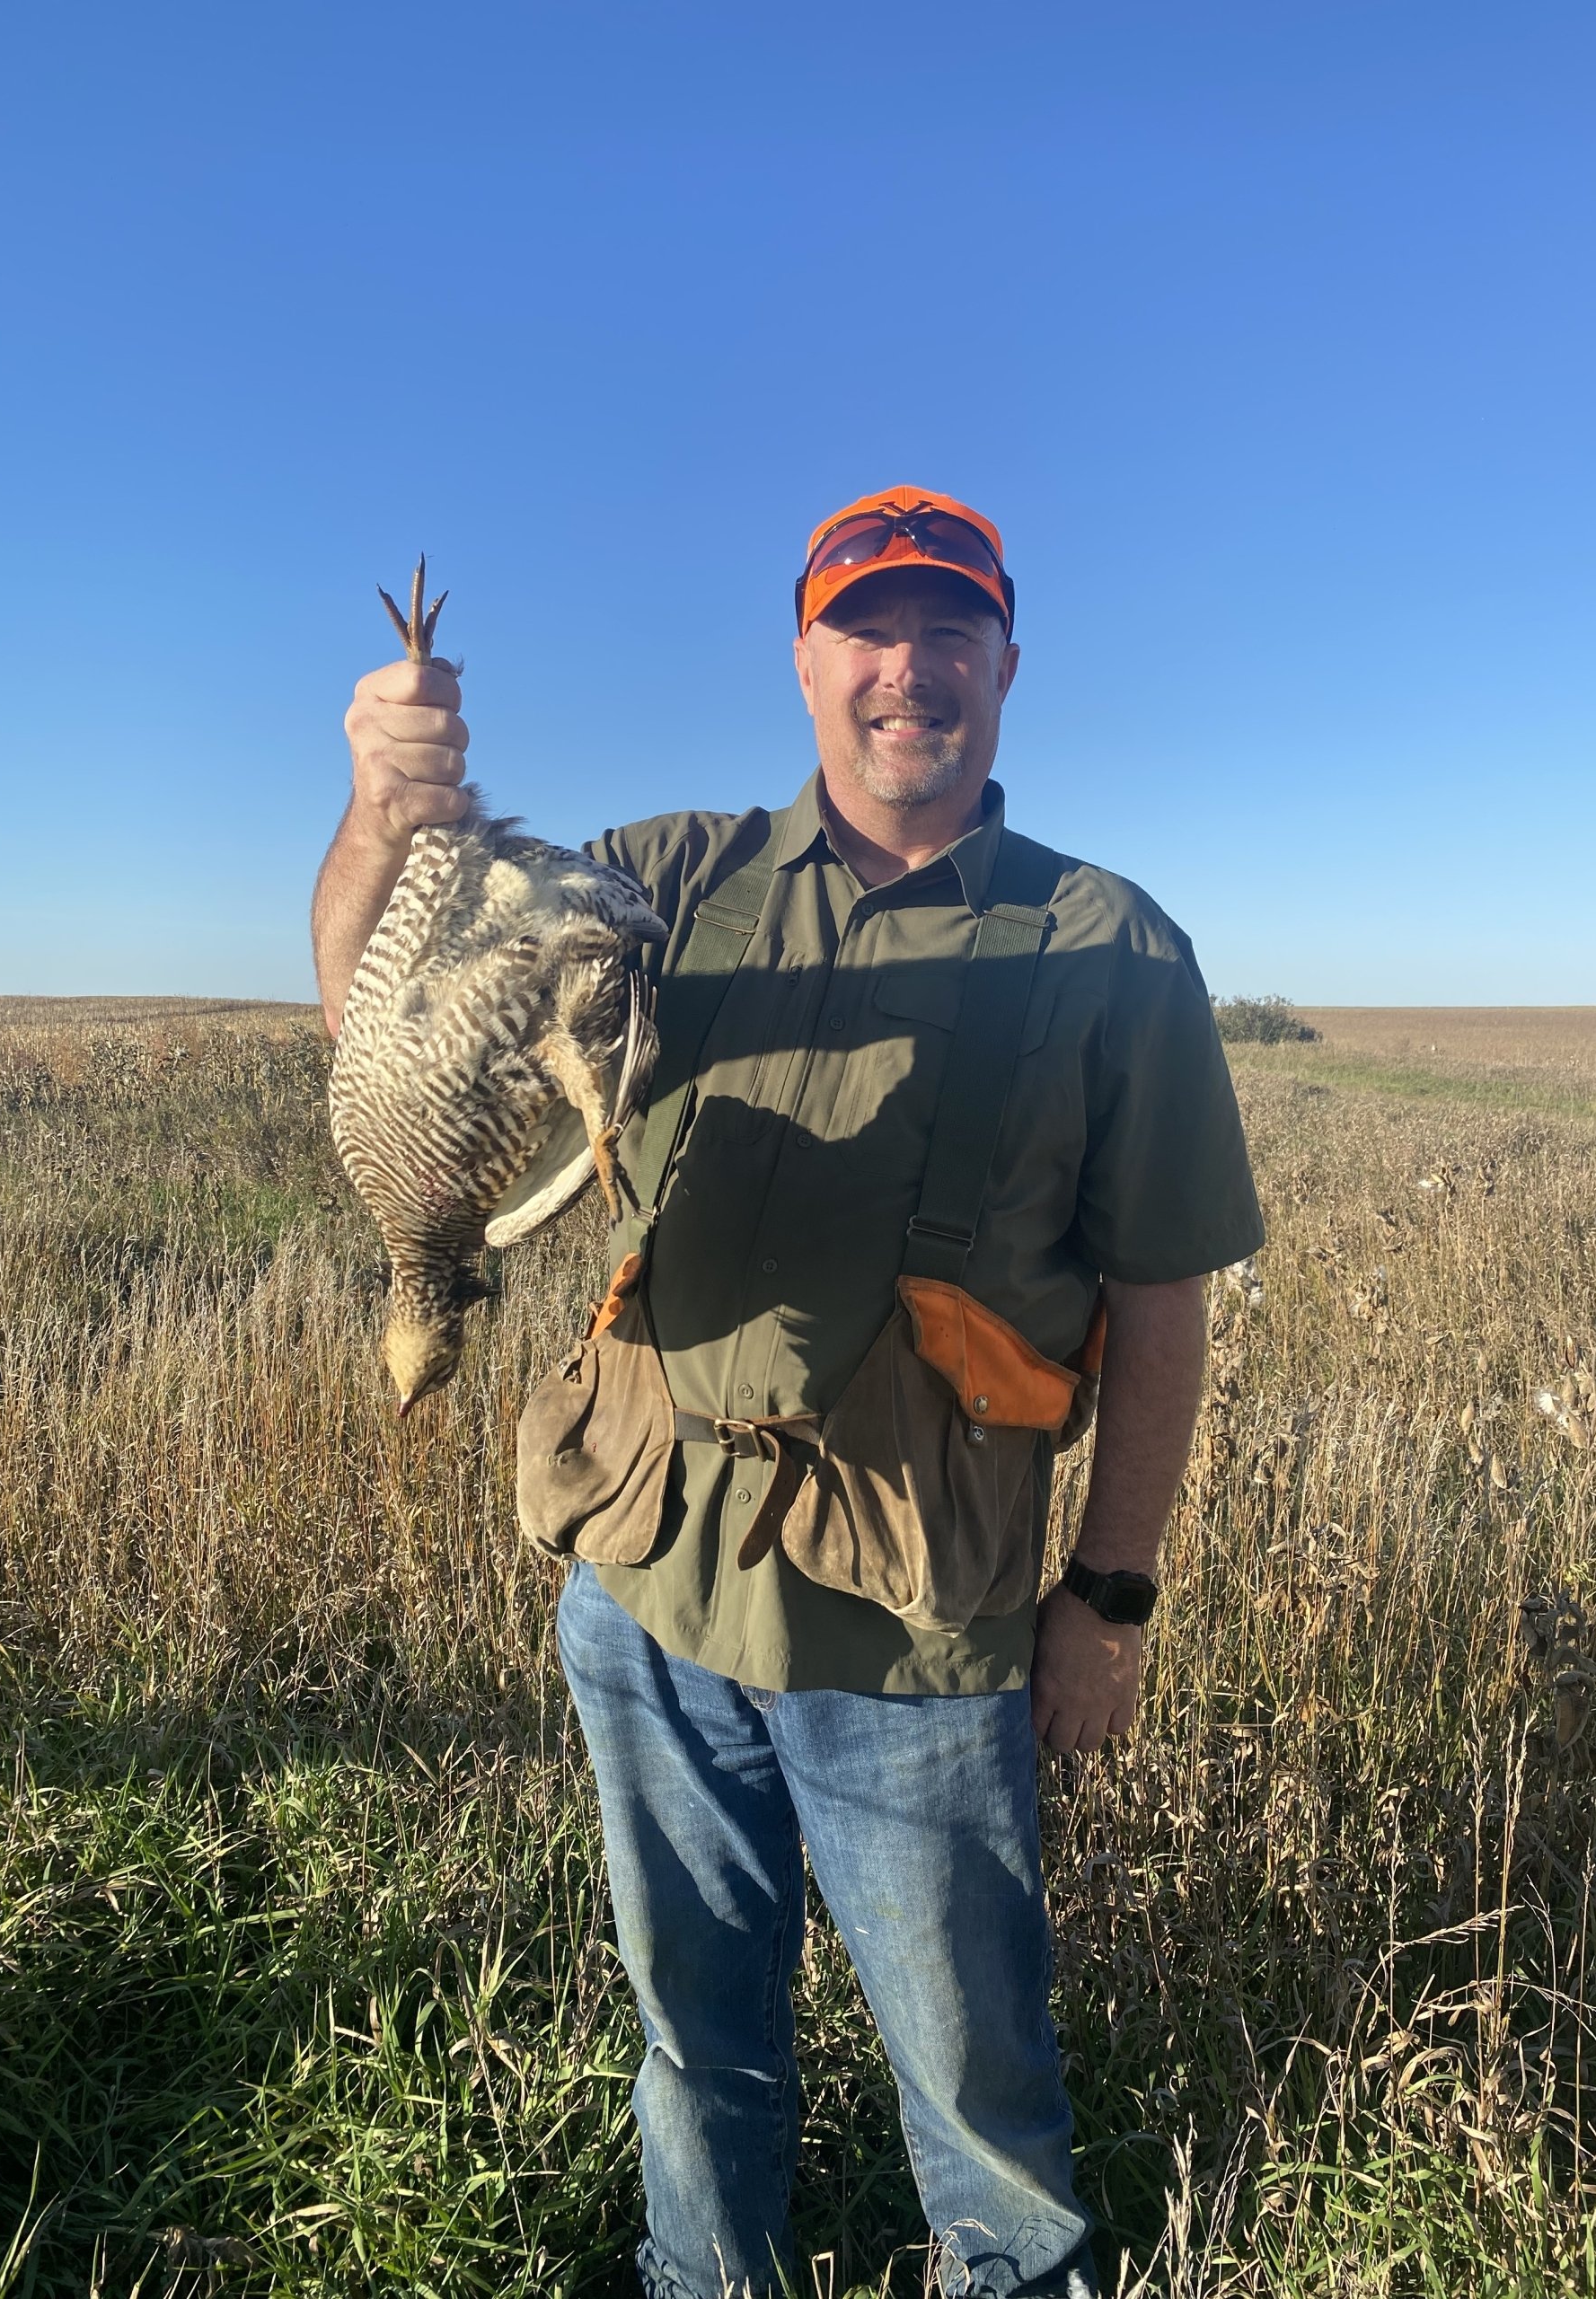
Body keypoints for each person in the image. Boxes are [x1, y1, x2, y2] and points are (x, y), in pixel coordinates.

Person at [312, 487, 1265, 2298]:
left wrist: (1113, 1594)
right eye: (869, 628)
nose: (911, 668)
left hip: (914, 1626)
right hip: (647, 1584)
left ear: (1003, 661)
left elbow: (1164, 1305)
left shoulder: (1111, 946)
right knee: (695, 2048)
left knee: (979, 2102)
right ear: (809, 657)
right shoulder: (664, 876)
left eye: (952, 628)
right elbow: (382, 1013)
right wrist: (385, 807)